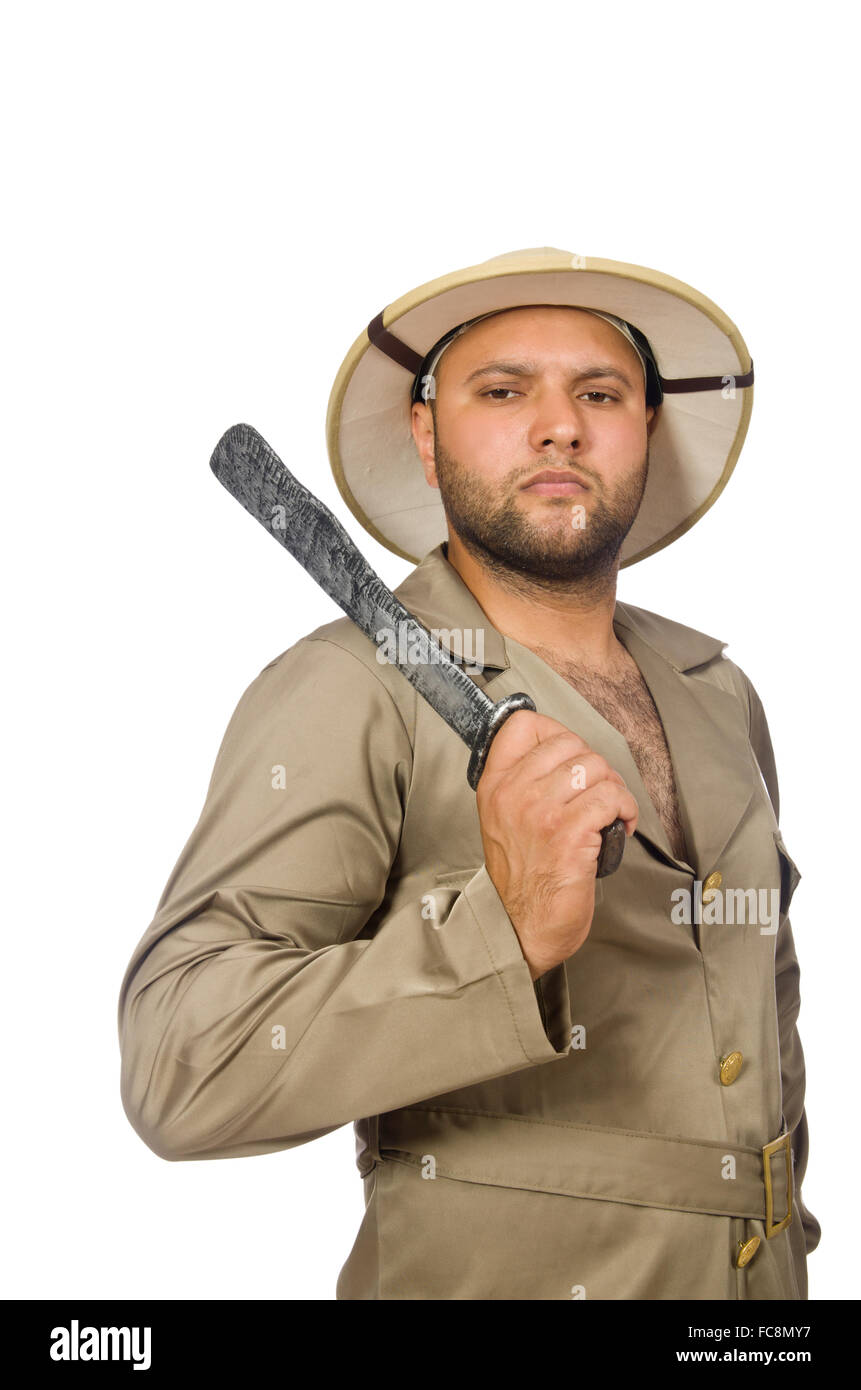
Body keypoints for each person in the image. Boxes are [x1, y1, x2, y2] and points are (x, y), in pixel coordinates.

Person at [118, 246, 820, 1300]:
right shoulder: (351, 687)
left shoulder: (719, 692)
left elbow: (769, 1040)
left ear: (646, 428)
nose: (560, 425)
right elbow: (182, 1062)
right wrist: (506, 934)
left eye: (601, 392)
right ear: (426, 434)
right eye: (503, 391)